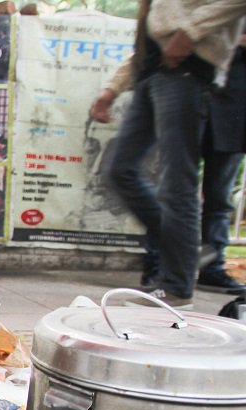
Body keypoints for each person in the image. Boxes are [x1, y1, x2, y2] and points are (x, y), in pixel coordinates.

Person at [88, 0, 246, 309]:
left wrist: (190, 32)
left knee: (178, 185)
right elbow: (151, 35)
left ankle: (176, 287)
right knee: (119, 170)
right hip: (151, 72)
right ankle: (188, 249)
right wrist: (112, 89)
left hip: (188, 69)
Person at [198, 38, 246, 294]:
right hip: (192, 101)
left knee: (218, 200)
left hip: (233, 114)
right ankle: (161, 267)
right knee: (174, 194)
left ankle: (211, 268)